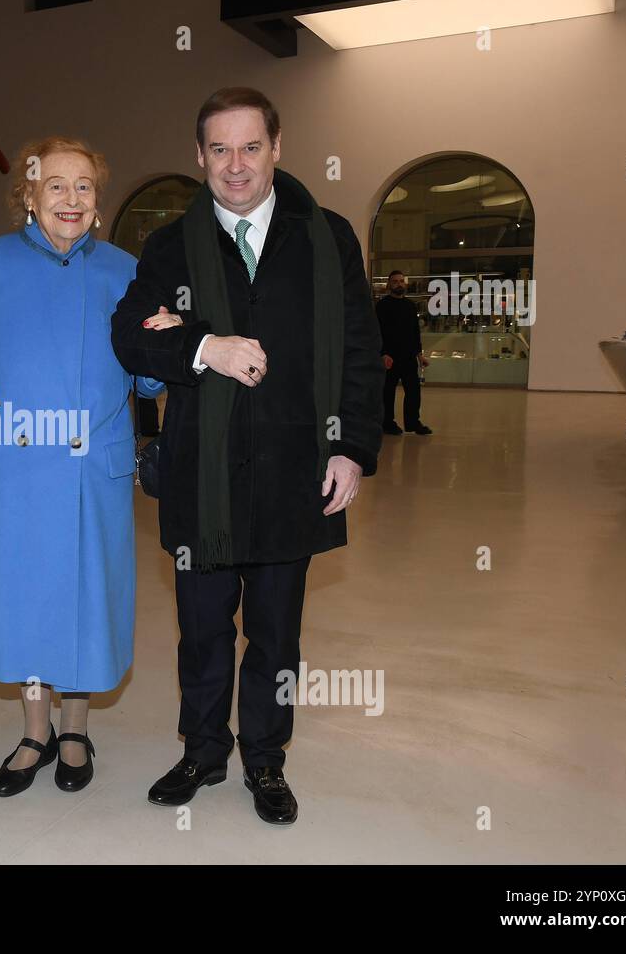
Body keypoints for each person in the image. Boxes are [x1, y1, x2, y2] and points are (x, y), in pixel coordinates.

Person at [111, 87, 384, 824]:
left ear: (277, 147)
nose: (237, 166)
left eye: (251, 147)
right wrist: (204, 344)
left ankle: (265, 759)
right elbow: (129, 336)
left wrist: (352, 448)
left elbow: (361, 350)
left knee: (275, 633)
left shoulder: (328, 238)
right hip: (202, 479)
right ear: (200, 157)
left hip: (296, 470)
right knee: (201, 631)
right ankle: (203, 750)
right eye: (220, 150)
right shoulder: (170, 245)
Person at [0, 136, 168, 797]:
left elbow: (140, 376)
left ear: (98, 203)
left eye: (84, 187)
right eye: (55, 185)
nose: (71, 199)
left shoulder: (123, 272)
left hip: (92, 469)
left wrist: (161, 351)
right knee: (24, 601)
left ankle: (75, 727)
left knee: (86, 599)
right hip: (14, 470)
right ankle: (34, 730)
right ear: (28, 195)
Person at [377, 270, 433, 435]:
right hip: (390, 357)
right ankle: (387, 423)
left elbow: (414, 332)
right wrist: (382, 353)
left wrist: (419, 354)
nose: (399, 284)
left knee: (414, 391)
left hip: (408, 357)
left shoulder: (410, 306)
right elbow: (377, 332)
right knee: (388, 391)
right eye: (395, 281)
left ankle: (413, 423)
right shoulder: (382, 306)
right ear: (389, 285)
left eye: (401, 281)